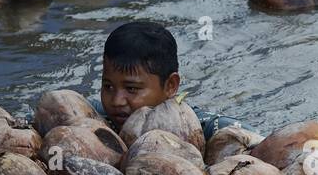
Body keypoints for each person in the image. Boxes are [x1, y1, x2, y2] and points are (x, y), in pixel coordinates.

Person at [91, 19, 242, 140]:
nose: (117, 101)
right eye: (108, 87)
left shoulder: (201, 127)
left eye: (131, 89)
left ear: (170, 85)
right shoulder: (97, 114)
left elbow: (248, 137)